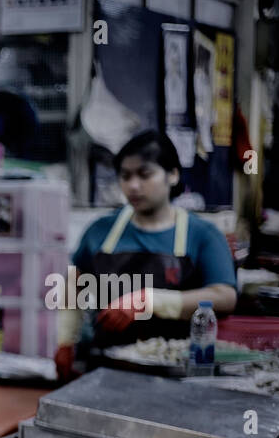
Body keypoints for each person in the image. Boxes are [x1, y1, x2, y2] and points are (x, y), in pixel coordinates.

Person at [63, 129, 237, 370]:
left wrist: (151, 300)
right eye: (125, 176)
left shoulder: (203, 235)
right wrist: (64, 340)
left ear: (173, 175)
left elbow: (225, 296)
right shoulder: (101, 231)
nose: (133, 186)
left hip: (177, 365)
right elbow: (74, 284)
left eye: (145, 175)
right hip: (106, 366)